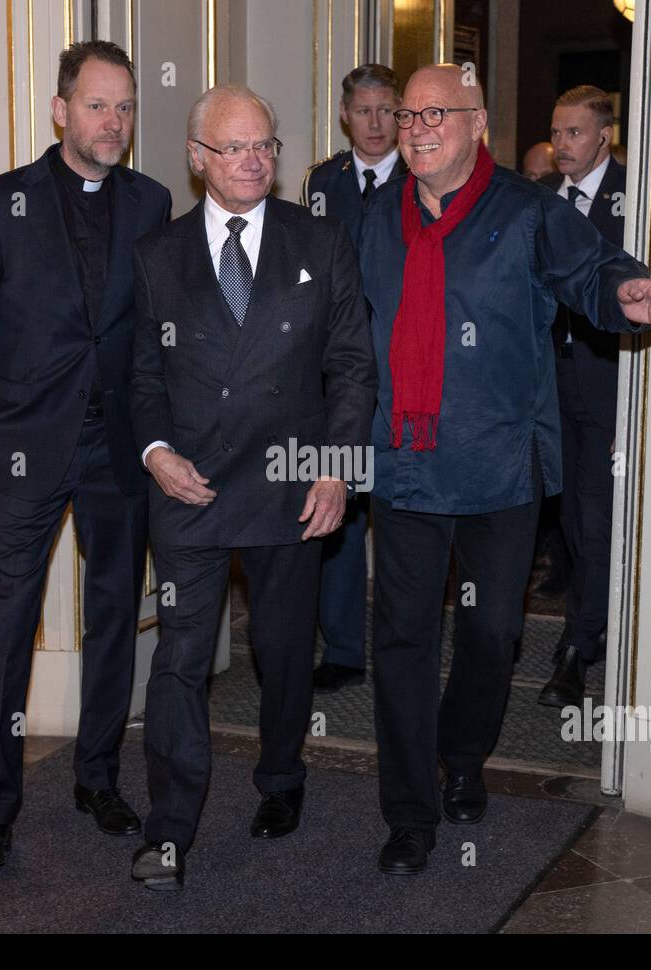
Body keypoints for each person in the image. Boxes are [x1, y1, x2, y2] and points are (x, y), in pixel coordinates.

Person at [359, 64, 651, 875]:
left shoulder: (531, 211)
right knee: (400, 637)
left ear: (479, 126)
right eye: (408, 114)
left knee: (492, 629)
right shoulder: (371, 220)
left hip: (499, 467)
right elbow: (336, 324)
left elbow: (590, 270)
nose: (419, 127)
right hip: (401, 462)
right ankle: (408, 809)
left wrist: (627, 292)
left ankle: (463, 754)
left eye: (438, 112)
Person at [128, 84, 377, 891]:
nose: (253, 160)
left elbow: (350, 366)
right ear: (197, 159)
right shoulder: (156, 255)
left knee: (280, 649)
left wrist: (338, 465)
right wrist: (156, 450)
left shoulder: (323, 239)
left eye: (264, 144)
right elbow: (137, 377)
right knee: (181, 659)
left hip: (289, 482)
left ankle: (281, 774)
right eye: (233, 147)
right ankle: (169, 828)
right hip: (189, 486)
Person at [0, 41, 171, 869]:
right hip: (26, 448)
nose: (114, 122)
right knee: (8, 624)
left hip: (119, 452)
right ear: (62, 109)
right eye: (99, 104)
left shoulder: (151, 202)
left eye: (127, 106)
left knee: (115, 619)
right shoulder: (0, 205)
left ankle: (96, 776)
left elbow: (153, 336)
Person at [298, 63, 406, 694]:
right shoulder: (320, 181)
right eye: (363, 111)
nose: (374, 123)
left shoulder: (423, 177)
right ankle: (342, 647)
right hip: (335, 374)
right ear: (345, 115)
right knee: (336, 509)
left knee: (403, 511)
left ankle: (403, 643)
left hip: (400, 374)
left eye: (387, 110)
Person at [538, 85, 628, 707]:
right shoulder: (539, 200)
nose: (562, 144)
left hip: (605, 379)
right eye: (557, 131)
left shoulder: (635, 198)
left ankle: (581, 644)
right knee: (563, 514)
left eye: (575, 133)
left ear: (604, 135)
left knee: (594, 517)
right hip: (543, 381)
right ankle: (580, 622)